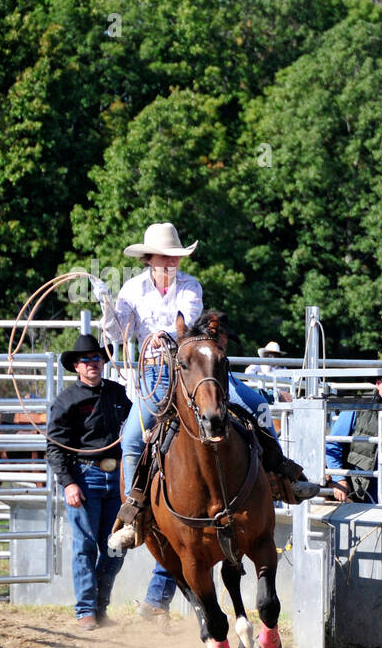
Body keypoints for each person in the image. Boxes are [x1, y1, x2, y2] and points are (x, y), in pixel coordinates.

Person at [103, 222, 318, 553]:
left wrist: (163, 335)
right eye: (164, 256)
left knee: (256, 404)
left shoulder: (191, 286)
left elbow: (187, 326)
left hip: (197, 367)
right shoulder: (131, 290)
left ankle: (282, 474)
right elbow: (117, 335)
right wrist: (107, 310)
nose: (171, 262)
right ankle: (134, 516)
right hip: (157, 374)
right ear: (149, 259)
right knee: (133, 437)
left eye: (174, 256)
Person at [45, 333, 132, 630]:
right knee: (85, 545)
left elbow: (134, 430)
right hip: (85, 477)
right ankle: (86, 609)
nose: (93, 363)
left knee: (116, 546)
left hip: (117, 478)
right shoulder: (66, 401)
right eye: (86, 360)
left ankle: (99, 606)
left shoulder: (118, 394)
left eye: (97, 358)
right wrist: (68, 483)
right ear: (77, 366)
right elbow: (55, 447)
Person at [326, 356, 382, 505]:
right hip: (363, 486)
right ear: (378, 384)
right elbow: (333, 445)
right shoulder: (358, 408)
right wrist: (339, 478)